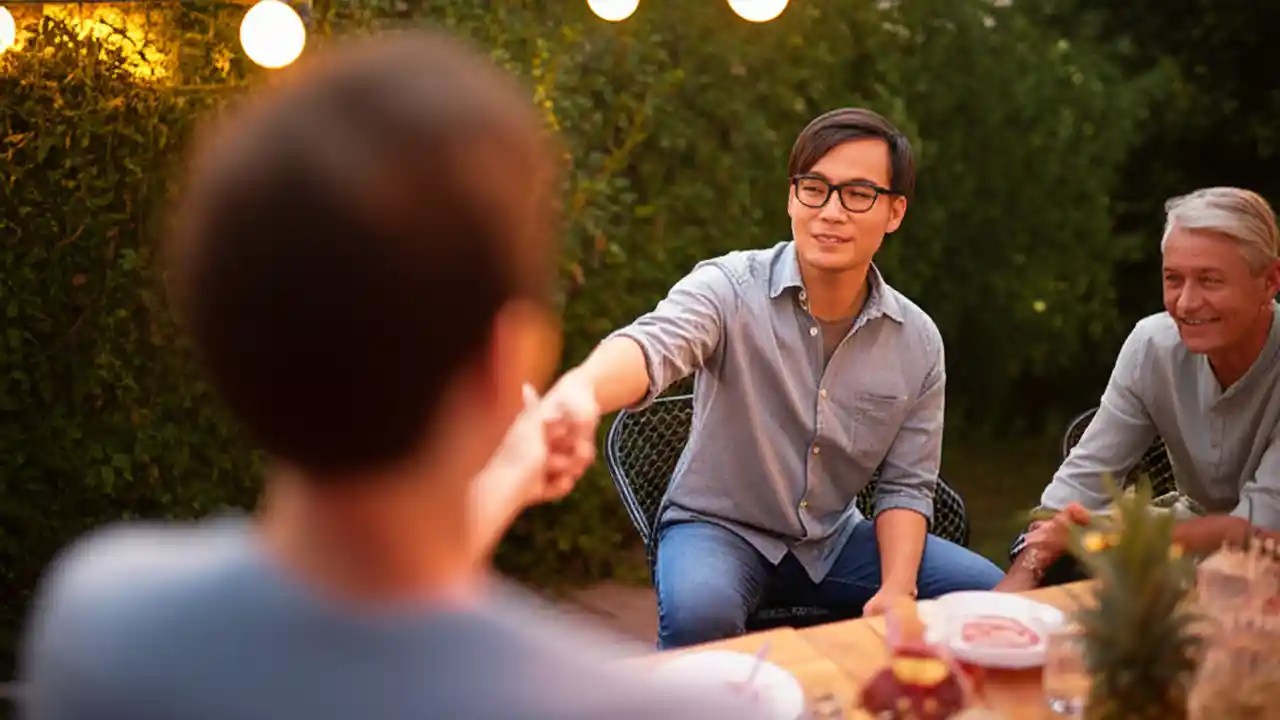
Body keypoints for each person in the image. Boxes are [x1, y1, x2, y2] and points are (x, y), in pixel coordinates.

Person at [17, 32, 767, 720]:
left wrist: (511, 469)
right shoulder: (633, 709)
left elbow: (374, 595)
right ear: (505, 358)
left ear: (219, 340)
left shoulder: (96, 624)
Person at [541, 107, 1004, 649]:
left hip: (834, 539)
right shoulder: (730, 287)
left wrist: (898, 587)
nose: (831, 211)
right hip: (718, 528)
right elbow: (652, 346)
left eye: (858, 194)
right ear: (791, 198)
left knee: (984, 594)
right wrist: (579, 392)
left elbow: (906, 484)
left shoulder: (917, 341)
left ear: (895, 211)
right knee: (700, 616)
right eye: (815, 188)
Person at [1002, 187, 1280, 590]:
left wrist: (1108, 539)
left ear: (1270, 281)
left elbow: (1261, 526)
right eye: (1173, 279)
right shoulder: (1153, 345)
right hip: (1192, 536)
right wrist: (1023, 575)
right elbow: (1082, 481)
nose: (1186, 303)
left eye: (1210, 280)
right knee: (1054, 558)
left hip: (1266, 554)